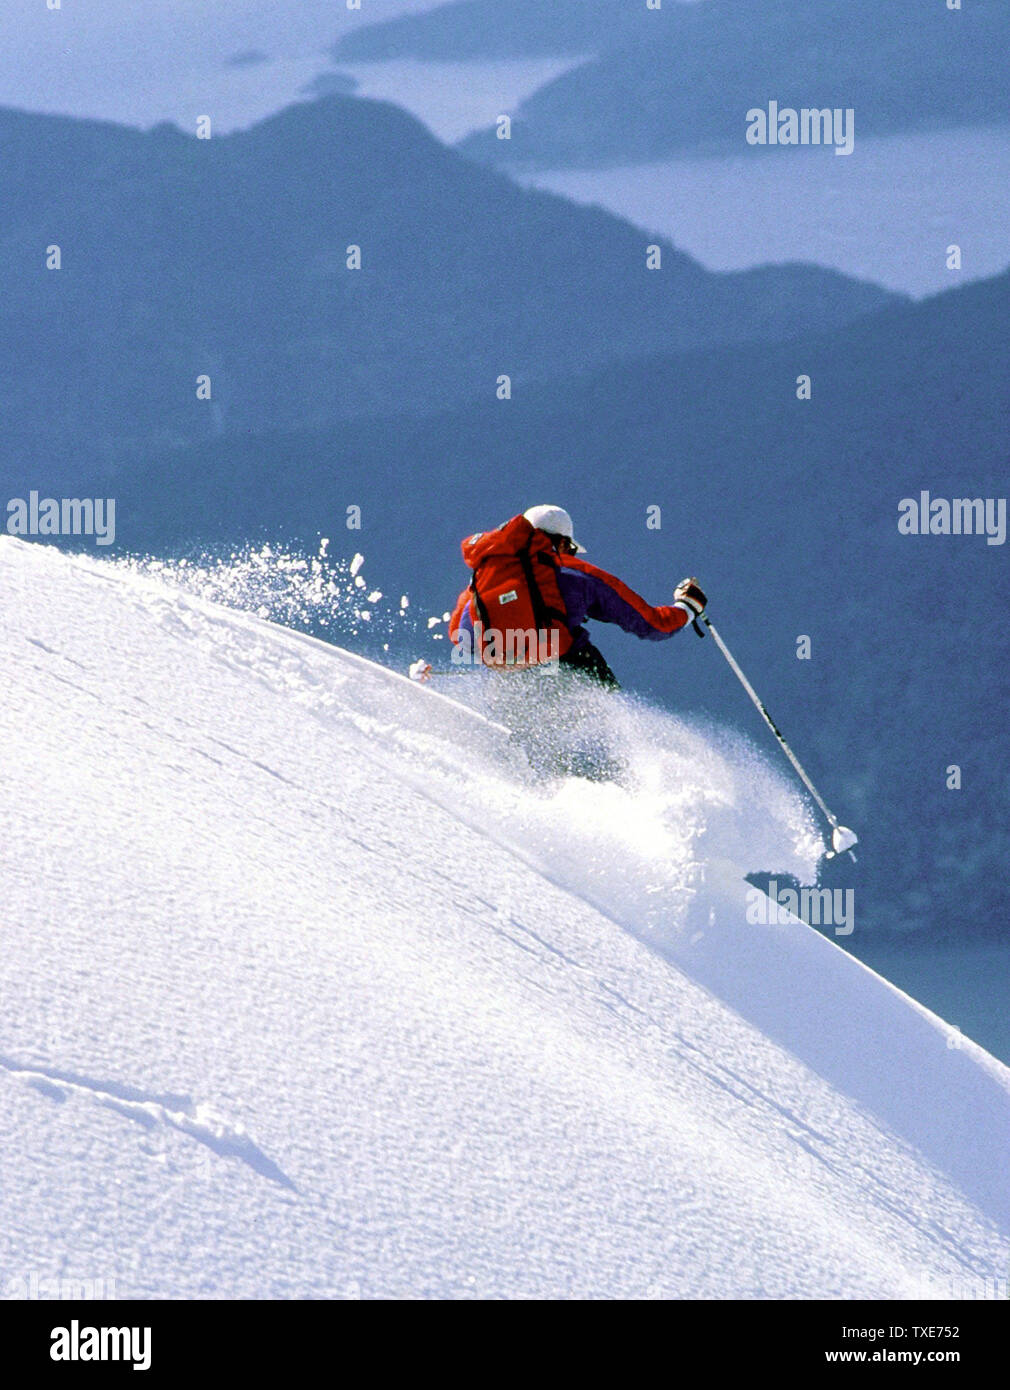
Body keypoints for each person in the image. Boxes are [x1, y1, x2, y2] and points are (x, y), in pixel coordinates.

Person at [447, 506, 707, 778]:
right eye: (569, 548)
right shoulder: (570, 572)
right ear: (559, 542)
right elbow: (652, 624)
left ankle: (538, 786)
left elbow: (461, 637)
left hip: (508, 688)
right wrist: (688, 607)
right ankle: (624, 786)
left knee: (543, 756)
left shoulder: (483, 581)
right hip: (571, 675)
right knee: (606, 744)